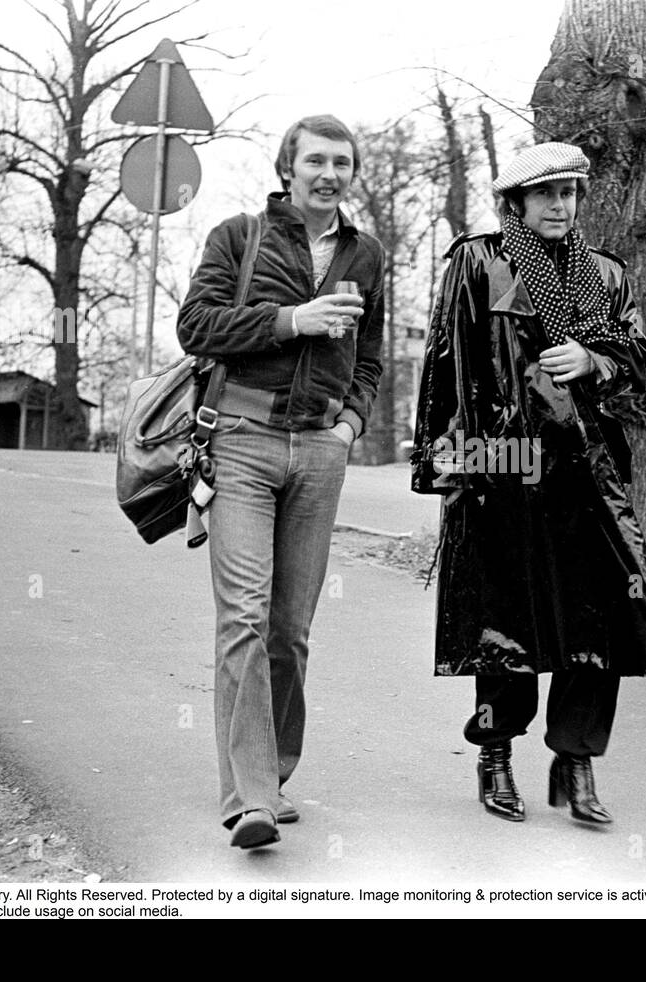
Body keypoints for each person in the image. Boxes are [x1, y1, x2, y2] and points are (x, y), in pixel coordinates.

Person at [411, 142, 646, 826]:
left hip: (589, 470)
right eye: (547, 194)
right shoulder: (479, 260)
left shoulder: (607, 275)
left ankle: (576, 758)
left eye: (571, 193)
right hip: (503, 466)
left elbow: (643, 364)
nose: (562, 206)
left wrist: (593, 359)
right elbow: (445, 361)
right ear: (517, 203)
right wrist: (444, 462)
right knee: (506, 617)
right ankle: (495, 750)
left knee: (600, 618)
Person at [177, 114, 385, 850]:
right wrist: (292, 319)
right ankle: (251, 795)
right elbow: (195, 326)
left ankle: (274, 770)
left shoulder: (366, 254)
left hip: (319, 449)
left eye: (343, 163)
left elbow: (370, 359)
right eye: (316, 161)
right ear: (288, 168)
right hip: (239, 439)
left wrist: (351, 425)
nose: (330, 174)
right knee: (243, 616)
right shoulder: (239, 236)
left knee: (290, 630)